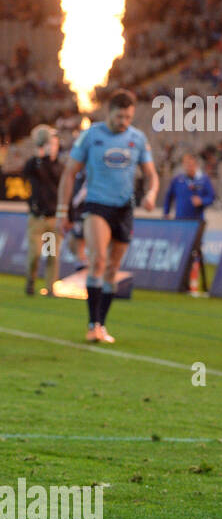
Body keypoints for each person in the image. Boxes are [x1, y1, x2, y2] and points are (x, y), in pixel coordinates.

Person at [57, 90, 158, 343]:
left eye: (128, 117)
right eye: (119, 116)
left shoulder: (137, 138)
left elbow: (151, 174)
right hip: (96, 205)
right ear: (108, 112)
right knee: (99, 260)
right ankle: (92, 324)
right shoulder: (91, 136)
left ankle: (101, 324)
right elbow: (69, 173)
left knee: (113, 269)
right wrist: (62, 210)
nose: (123, 121)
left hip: (124, 209)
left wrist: (152, 193)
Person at [22, 125, 62, 296]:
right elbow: (27, 171)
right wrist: (39, 156)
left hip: (53, 218)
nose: (52, 147)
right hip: (37, 218)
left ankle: (51, 288)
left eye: (53, 144)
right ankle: (30, 281)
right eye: (49, 143)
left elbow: (55, 179)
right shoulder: (35, 163)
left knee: (52, 256)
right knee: (35, 255)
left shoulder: (59, 167)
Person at [162, 153, 215, 220]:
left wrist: (202, 201)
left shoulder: (204, 179)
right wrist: (166, 213)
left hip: (197, 220)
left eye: (191, 164)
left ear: (196, 164)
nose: (189, 166)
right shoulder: (177, 180)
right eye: (186, 164)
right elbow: (168, 197)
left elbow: (211, 197)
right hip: (180, 220)